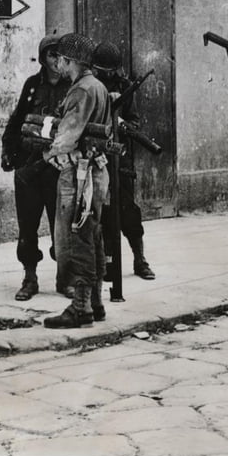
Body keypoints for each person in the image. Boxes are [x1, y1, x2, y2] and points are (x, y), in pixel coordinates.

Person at [42, 33, 110, 329]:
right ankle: (95, 302)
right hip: (96, 171)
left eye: (61, 59)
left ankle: (80, 307)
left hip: (79, 173)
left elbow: (68, 136)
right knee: (92, 235)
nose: (59, 64)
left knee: (76, 236)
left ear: (70, 61)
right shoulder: (99, 86)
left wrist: (49, 152)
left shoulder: (81, 90)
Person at [1, 35, 71, 301]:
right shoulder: (32, 85)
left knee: (61, 227)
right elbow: (17, 119)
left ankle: (65, 279)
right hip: (30, 167)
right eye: (51, 55)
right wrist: (8, 152)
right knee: (27, 226)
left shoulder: (71, 86)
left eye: (60, 55)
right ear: (43, 58)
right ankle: (29, 277)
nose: (56, 61)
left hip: (57, 168)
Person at [92, 41, 155, 280]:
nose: (107, 75)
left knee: (128, 211)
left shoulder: (125, 87)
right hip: (98, 157)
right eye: (102, 70)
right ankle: (108, 262)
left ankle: (140, 260)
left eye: (110, 71)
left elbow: (135, 122)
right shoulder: (92, 87)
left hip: (122, 159)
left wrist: (122, 124)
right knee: (104, 213)